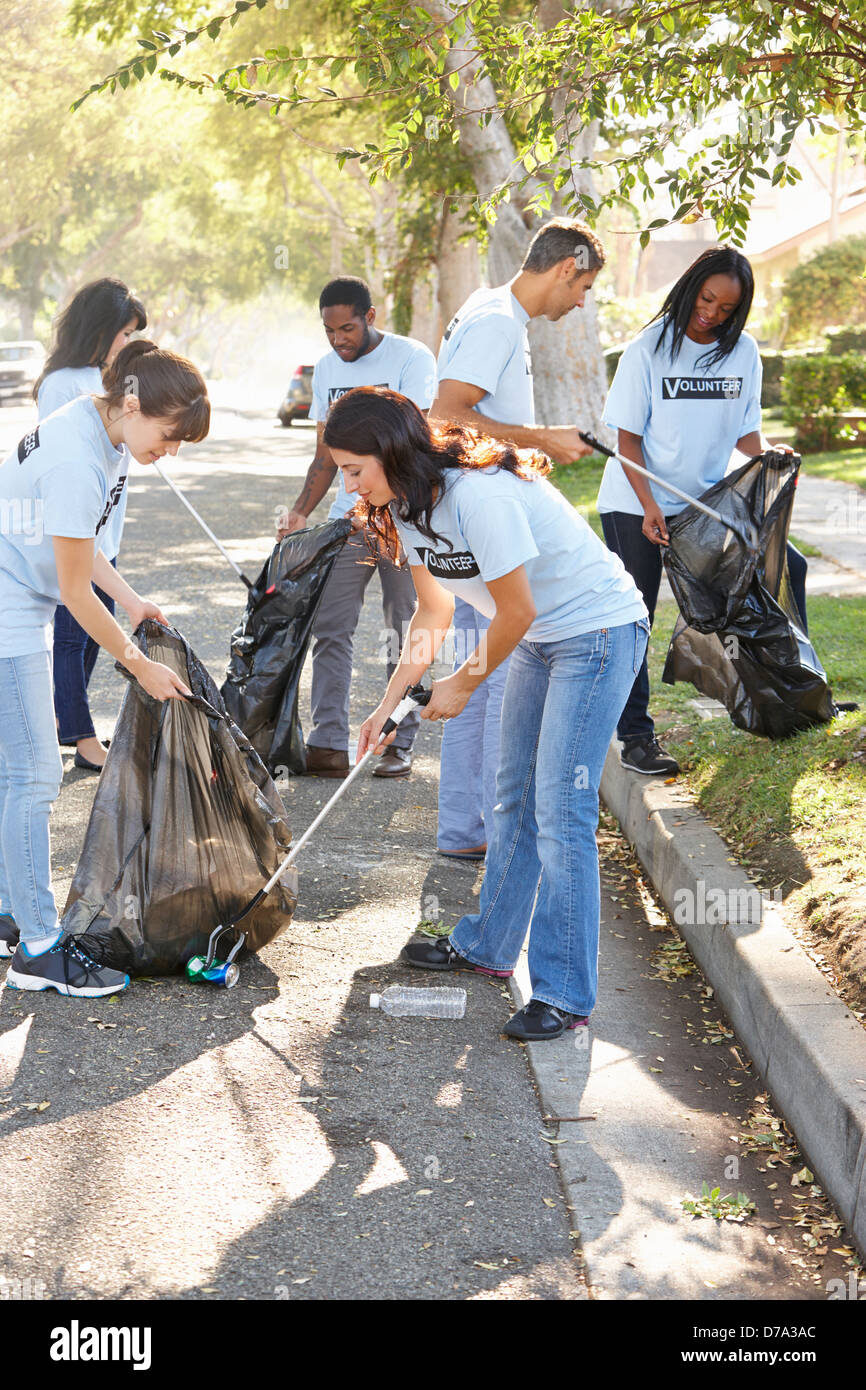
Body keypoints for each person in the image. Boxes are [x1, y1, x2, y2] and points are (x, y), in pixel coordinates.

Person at [324, 388, 649, 1041]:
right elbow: (433, 614)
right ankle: (488, 949)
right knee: (512, 798)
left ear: (390, 452)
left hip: (598, 633)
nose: (347, 482)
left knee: (561, 810)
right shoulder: (410, 510)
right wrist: (387, 708)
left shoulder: (479, 496)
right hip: (536, 640)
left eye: (354, 468)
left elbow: (518, 610)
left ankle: (563, 994)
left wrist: (465, 684)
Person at [0, 340, 209, 997]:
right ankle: (37, 950)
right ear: (132, 403)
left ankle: (10, 913)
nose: (169, 452)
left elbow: (77, 546)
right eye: (170, 435)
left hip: (18, 597)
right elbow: (71, 589)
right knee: (35, 774)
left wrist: (133, 599)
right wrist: (136, 662)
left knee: (15, 772)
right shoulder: (75, 458)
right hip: (9, 610)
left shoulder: (102, 435)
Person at [431, 216, 604, 857]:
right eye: (583, 286)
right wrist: (542, 439)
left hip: (479, 510)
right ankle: (491, 831)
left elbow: (471, 417)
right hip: (483, 519)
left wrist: (524, 450)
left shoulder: (490, 308)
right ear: (567, 267)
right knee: (496, 678)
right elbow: (446, 415)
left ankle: (468, 830)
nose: (581, 301)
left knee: (478, 678)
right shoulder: (498, 319)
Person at [599, 246, 806, 777]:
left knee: (790, 568)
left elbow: (746, 434)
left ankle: (791, 695)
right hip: (635, 502)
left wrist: (770, 453)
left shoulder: (743, 353)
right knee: (633, 618)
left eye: (726, 307)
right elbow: (626, 440)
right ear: (691, 288)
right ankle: (636, 737)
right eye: (706, 299)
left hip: (705, 504)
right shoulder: (648, 348)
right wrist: (649, 508)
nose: (711, 313)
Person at [276, 276, 437, 779]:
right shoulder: (326, 369)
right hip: (347, 519)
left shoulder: (412, 359)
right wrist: (302, 510)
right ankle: (327, 743)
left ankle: (395, 741)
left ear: (370, 317)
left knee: (403, 626)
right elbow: (325, 452)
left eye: (346, 328)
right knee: (331, 626)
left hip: (400, 513)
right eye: (328, 330)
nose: (338, 339)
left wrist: (403, 510)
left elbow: (416, 442)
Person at [35, 277, 147, 773]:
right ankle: (79, 737)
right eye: (125, 333)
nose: (128, 343)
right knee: (71, 635)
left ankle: (65, 725)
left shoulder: (114, 380)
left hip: (107, 536)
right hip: (76, 533)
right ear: (101, 329)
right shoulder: (65, 384)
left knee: (93, 632)